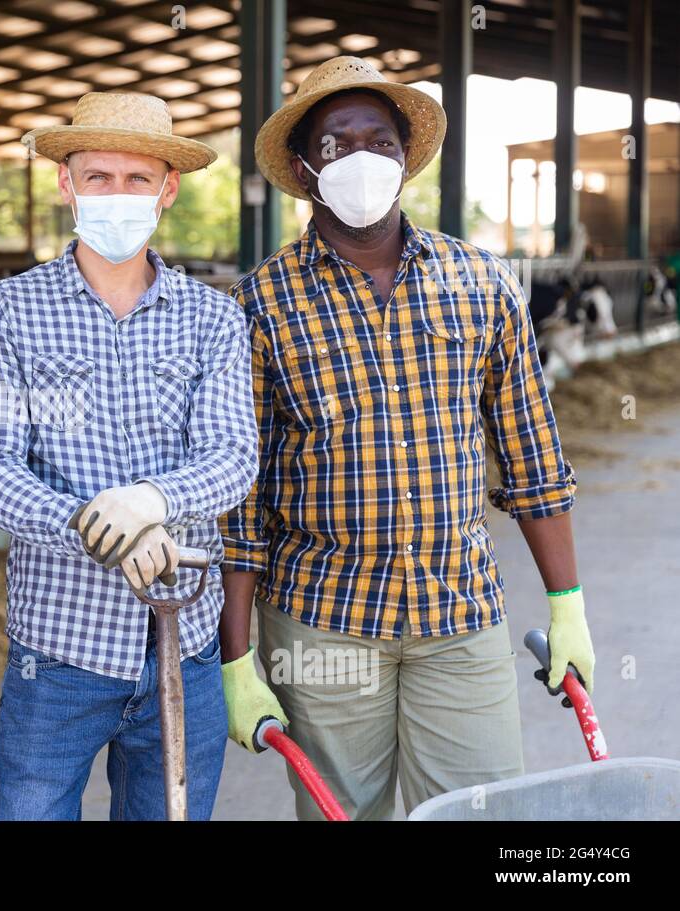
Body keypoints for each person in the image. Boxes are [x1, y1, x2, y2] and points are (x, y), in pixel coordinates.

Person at [219, 56, 595, 819]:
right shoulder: (259, 303)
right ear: (303, 167)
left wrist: (568, 606)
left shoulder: (481, 281)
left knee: (485, 811)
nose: (360, 158)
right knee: (344, 814)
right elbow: (240, 501)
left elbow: (532, 458)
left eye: (379, 141)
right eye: (336, 143)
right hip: (323, 620)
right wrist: (238, 657)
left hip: (460, 617)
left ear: (405, 159)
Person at [0, 91, 258, 820]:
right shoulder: (9, 311)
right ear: (66, 183)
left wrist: (152, 501)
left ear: (168, 187)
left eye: (136, 179)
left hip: (184, 647)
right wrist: (99, 523)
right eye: (98, 178)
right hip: (58, 650)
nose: (116, 195)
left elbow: (232, 453)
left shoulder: (213, 317)